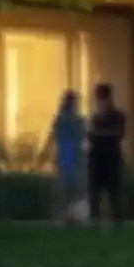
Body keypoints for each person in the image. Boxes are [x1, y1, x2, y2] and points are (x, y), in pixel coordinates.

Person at [43, 91, 85, 225]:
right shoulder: (67, 120)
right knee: (69, 190)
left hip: (69, 157)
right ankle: (66, 216)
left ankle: (67, 216)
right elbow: (52, 138)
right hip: (68, 157)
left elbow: (52, 138)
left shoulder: (68, 120)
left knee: (68, 190)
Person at [87, 83, 126, 227]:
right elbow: (91, 136)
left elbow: (118, 134)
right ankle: (95, 220)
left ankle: (117, 221)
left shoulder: (117, 116)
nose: (100, 103)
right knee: (95, 192)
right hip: (97, 159)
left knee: (114, 191)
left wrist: (99, 134)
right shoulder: (96, 117)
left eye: (102, 99)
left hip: (111, 158)